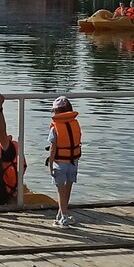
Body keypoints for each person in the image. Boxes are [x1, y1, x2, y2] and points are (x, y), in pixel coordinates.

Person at [47, 95, 81, 227]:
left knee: (60, 191)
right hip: (73, 161)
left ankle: (64, 217)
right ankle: (61, 214)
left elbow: (52, 148)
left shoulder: (55, 127)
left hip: (60, 163)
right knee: (68, 189)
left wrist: (50, 164)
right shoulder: (75, 123)